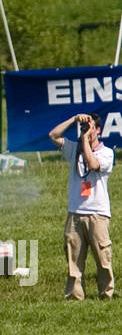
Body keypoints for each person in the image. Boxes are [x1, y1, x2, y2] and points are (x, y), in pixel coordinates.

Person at [49, 112, 114, 301]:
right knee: (74, 260)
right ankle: (74, 296)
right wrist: (74, 119)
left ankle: (106, 295)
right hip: (75, 213)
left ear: (98, 130)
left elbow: (93, 164)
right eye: (84, 128)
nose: (86, 131)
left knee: (102, 259)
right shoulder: (74, 149)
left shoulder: (106, 153)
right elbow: (53, 135)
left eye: (90, 128)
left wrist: (85, 140)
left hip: (98, 214)